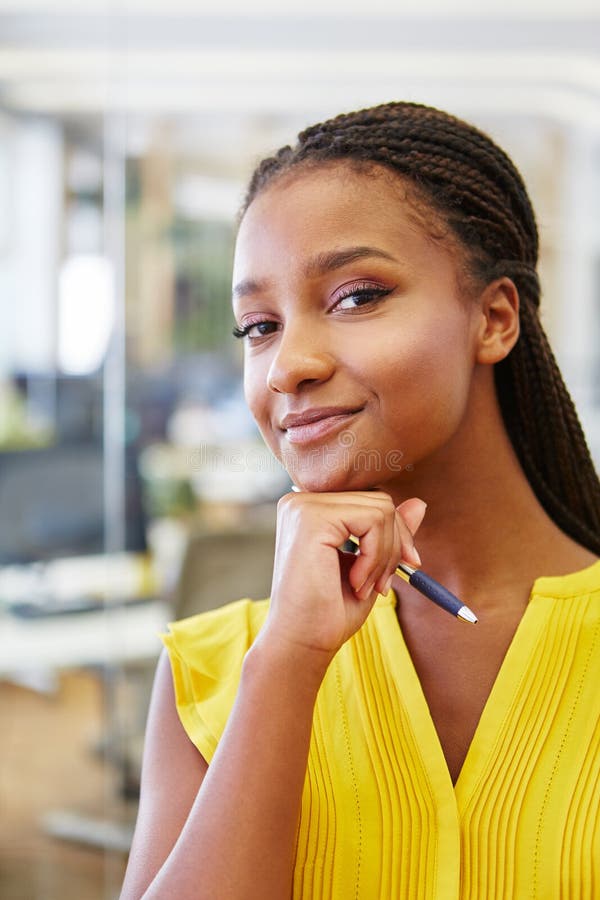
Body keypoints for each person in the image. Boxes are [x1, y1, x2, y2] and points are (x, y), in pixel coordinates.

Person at [120, 102, 600, 900]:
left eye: (356, 296)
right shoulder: (213, 671)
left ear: (494, 318)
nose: (287, 366)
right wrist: (286, 665)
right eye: (259, 326)